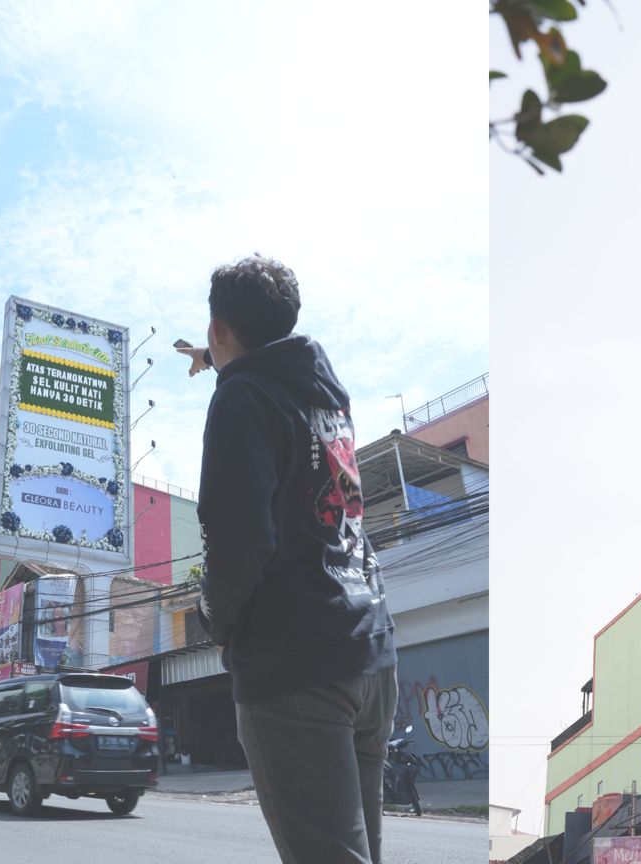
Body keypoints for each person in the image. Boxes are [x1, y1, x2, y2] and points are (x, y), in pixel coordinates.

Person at [182, 256, 397, 864]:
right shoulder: (324, 394)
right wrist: (214, 357)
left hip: (296, 664)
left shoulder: (241, 398)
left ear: (219, 327)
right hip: (370, 651)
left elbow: (238, 543)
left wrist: (215, 619)